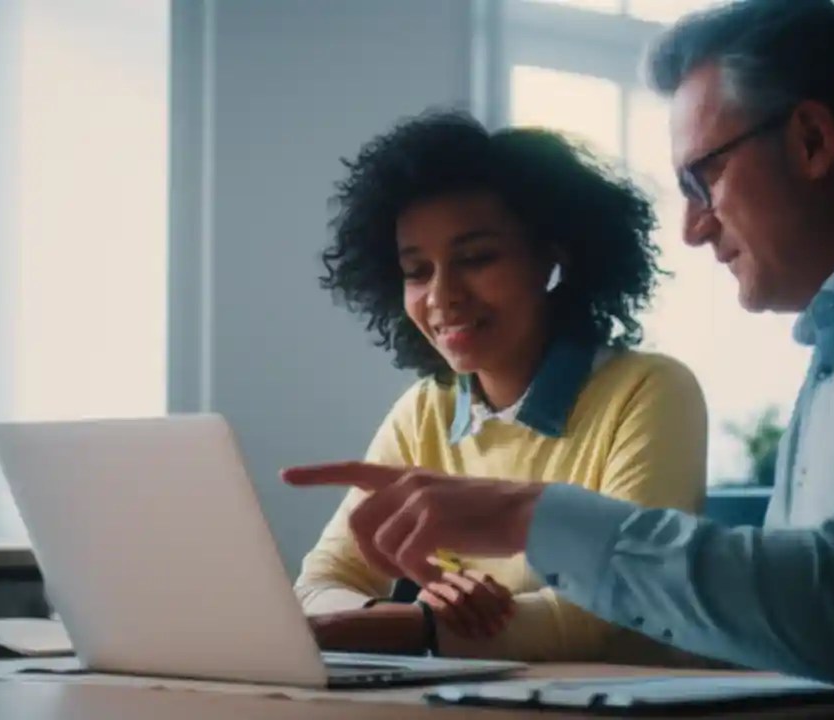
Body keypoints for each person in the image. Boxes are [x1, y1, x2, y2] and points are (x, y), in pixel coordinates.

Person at [284, 0, 834, 688]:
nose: (694, 228)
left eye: (703, 179)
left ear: (810, 140)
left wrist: (529, 517)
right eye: (416, 269)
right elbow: (809, 625)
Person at [293, 110, 711, 662]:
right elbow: (321, 582)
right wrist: (380, 620)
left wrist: (413, 628)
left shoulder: (650, 391)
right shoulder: (426, 411)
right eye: (417, 271)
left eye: (475, 259)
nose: (442, 296)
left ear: (552, 259)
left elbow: (613, 607)